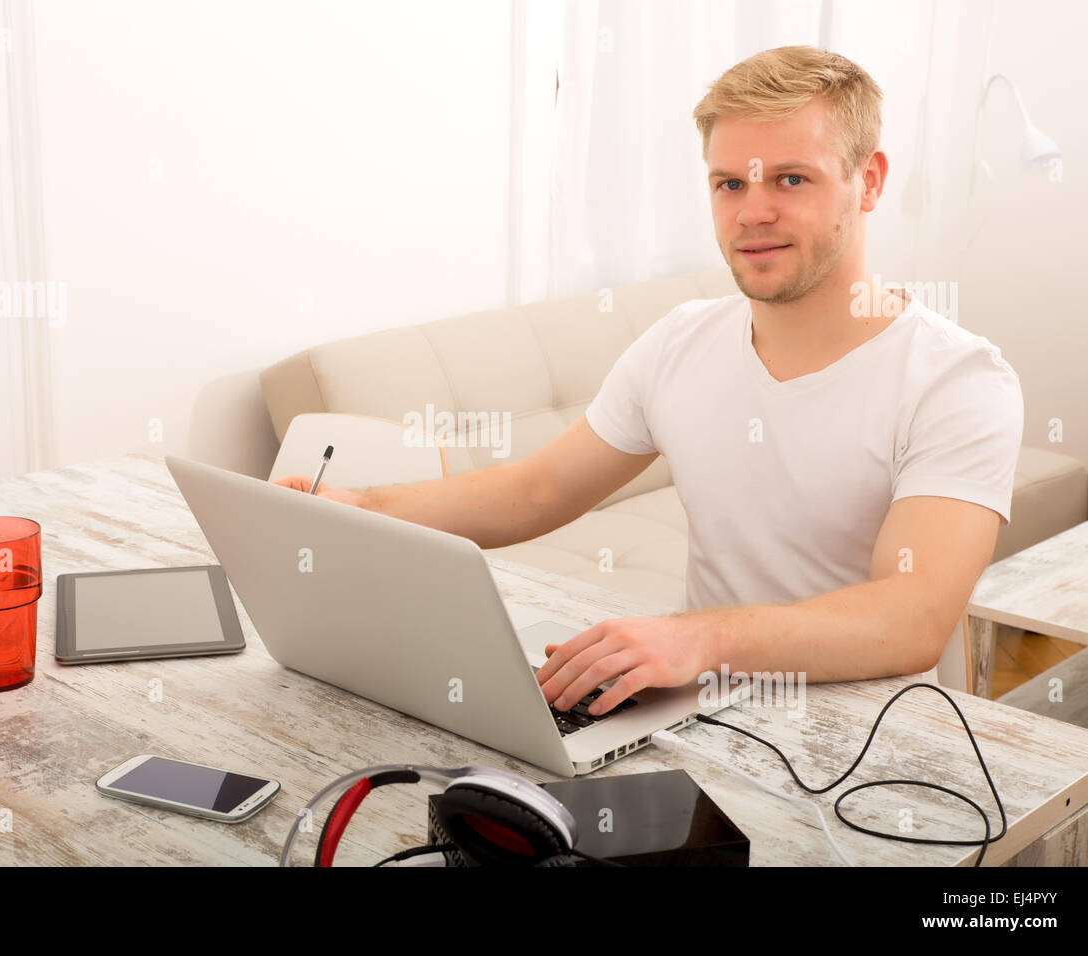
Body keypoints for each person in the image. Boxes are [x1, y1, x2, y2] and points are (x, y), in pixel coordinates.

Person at [275, 45, 1023, 720]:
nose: (753, 211)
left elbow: (911, 616)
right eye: (729, 183)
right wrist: (358, 508)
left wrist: (698, 638)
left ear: (870, 181)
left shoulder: (958, 380)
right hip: (702, 712)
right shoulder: (680, 341)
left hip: (876, 738)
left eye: (791, 179)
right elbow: (537, 491)